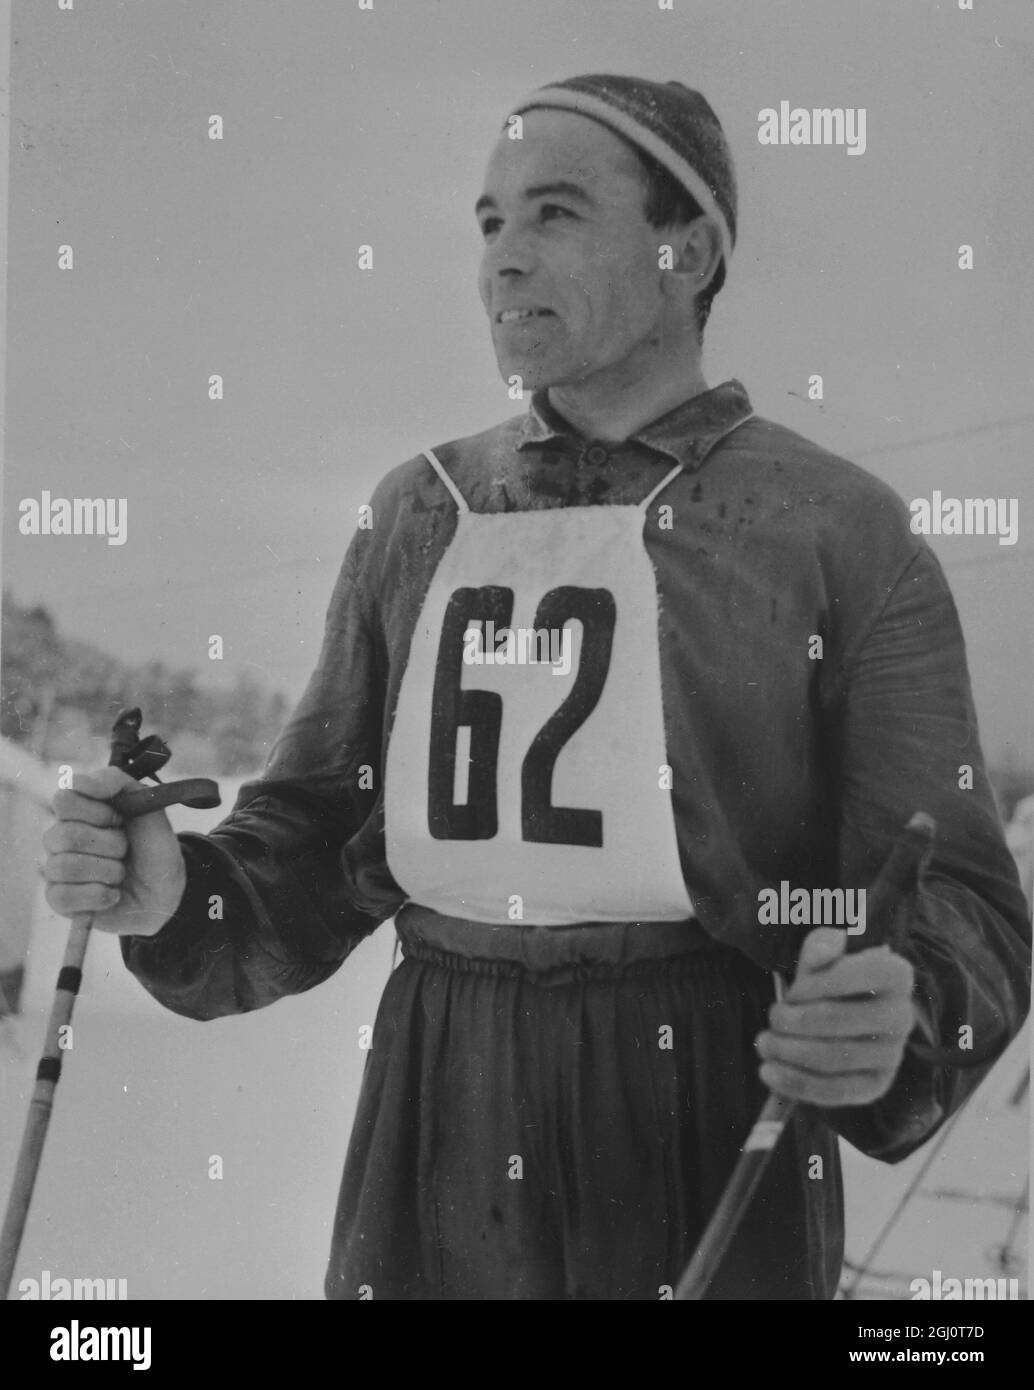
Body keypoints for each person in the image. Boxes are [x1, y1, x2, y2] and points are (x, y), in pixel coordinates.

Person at [41, 74, 1030, 1301]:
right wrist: (179, 895)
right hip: (436, 1106)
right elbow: (312, 842)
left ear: (689, 247)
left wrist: (906, 1007)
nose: (502, 260)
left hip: (694, 1106)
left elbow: (965, 906)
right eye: (488, 221)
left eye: (555, 214)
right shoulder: (419, 510)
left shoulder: (836, 529)